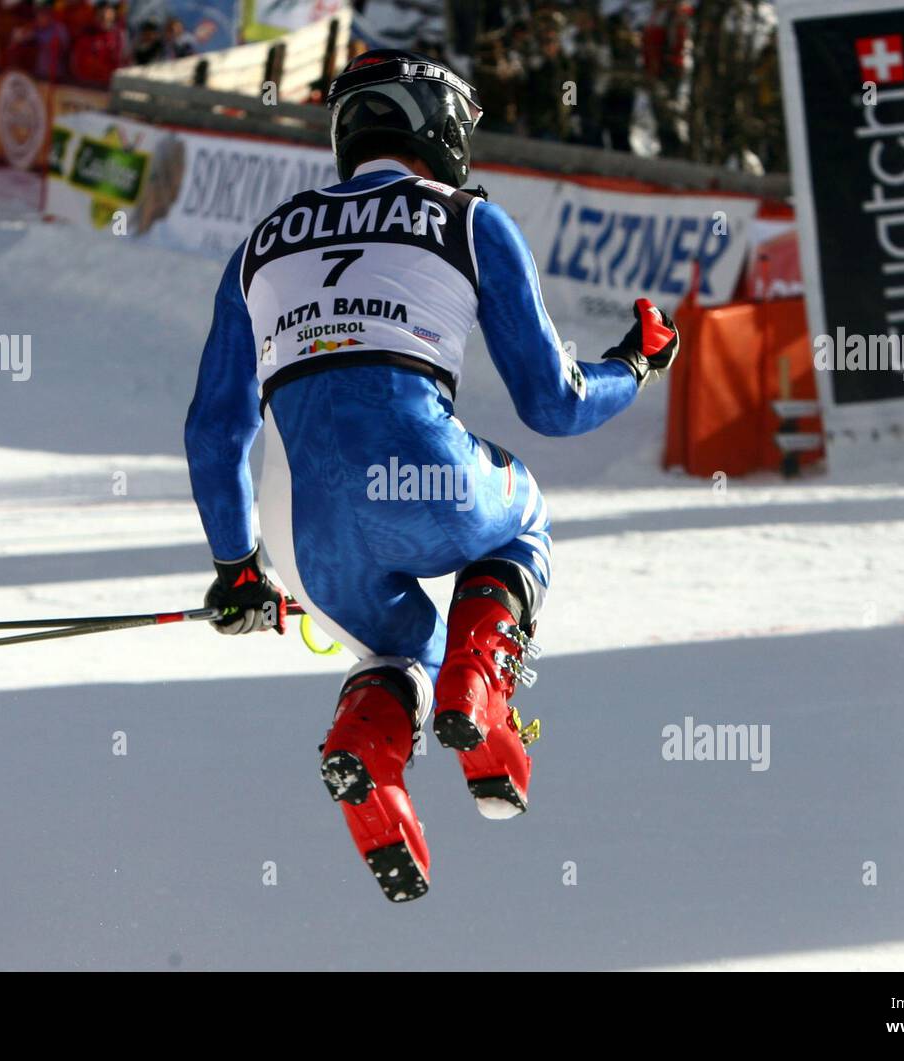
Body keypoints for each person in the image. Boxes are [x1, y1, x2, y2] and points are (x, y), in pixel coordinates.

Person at [184, 50, 679, 903]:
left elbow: (216, 426)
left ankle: (370, 752)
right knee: (523, 523)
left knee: (392, 648)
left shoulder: (257, 247)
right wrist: (635, 364)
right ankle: (478, 692)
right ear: (438, 129)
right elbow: (553, 404)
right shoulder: (469, 219)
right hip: (430, 480)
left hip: (309, 534)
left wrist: (237, 564)